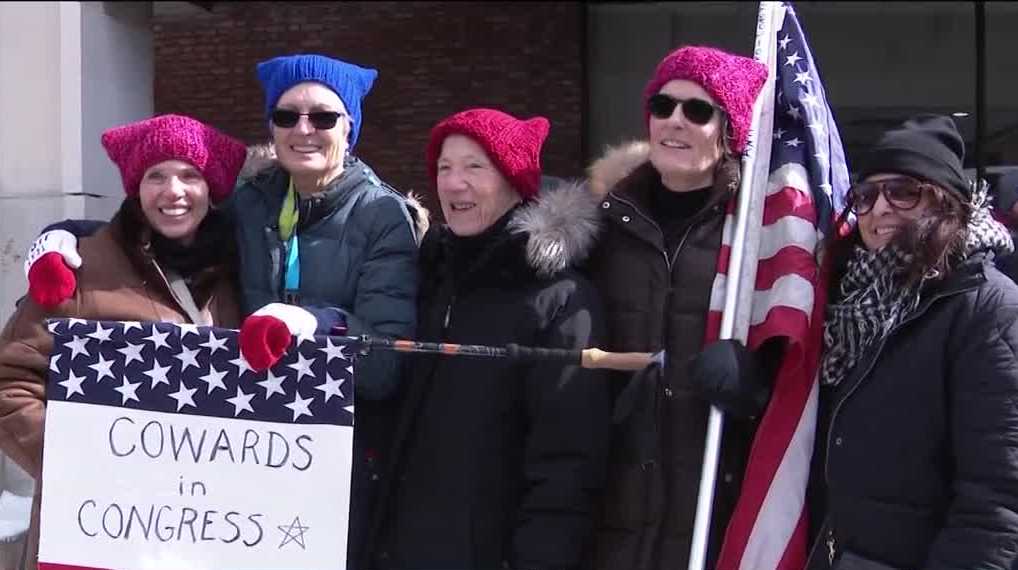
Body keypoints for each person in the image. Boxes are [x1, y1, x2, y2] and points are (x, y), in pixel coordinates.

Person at [20, 53, 425, 567]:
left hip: (324, 463)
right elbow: (169, 220)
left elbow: (385, 366)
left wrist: (316, 324)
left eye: (323, 117)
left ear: (350, 127)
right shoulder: (252, 202)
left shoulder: (383, 217)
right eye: (287, 115)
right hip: (230, 466)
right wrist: (65, 236)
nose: (304, 129)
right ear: (271, 126)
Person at [367, 108, 612, 570]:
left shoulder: (559, 300)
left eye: (474, 167)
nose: (454, 183)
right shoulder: (430, 276)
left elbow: (566, 463)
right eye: (444, 167)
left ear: (514, 181)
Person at [0, 114, 248, 569]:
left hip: (201, 533)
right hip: (94, 532)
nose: (173, 191)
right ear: (136, 188)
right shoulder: (81, 267)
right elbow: (10, 380)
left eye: (190, 175)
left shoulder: (238, 275)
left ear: (211, 187)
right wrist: (76, 463)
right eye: (156, 176)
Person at [580, 45, 779, 569]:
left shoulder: (755, 234)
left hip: (713, 513)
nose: (674, 120)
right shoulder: (604, 228)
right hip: (615, 517)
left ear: (729, 131)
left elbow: (797, 368)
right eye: (662, 105)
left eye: (697, 110)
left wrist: (756, 385)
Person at [806, 115, 1018, 569]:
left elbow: (998, 500)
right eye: (865, 196)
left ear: (947, 204)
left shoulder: (987, 308)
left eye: (903, 191)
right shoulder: (844, 303)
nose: (879, 208)